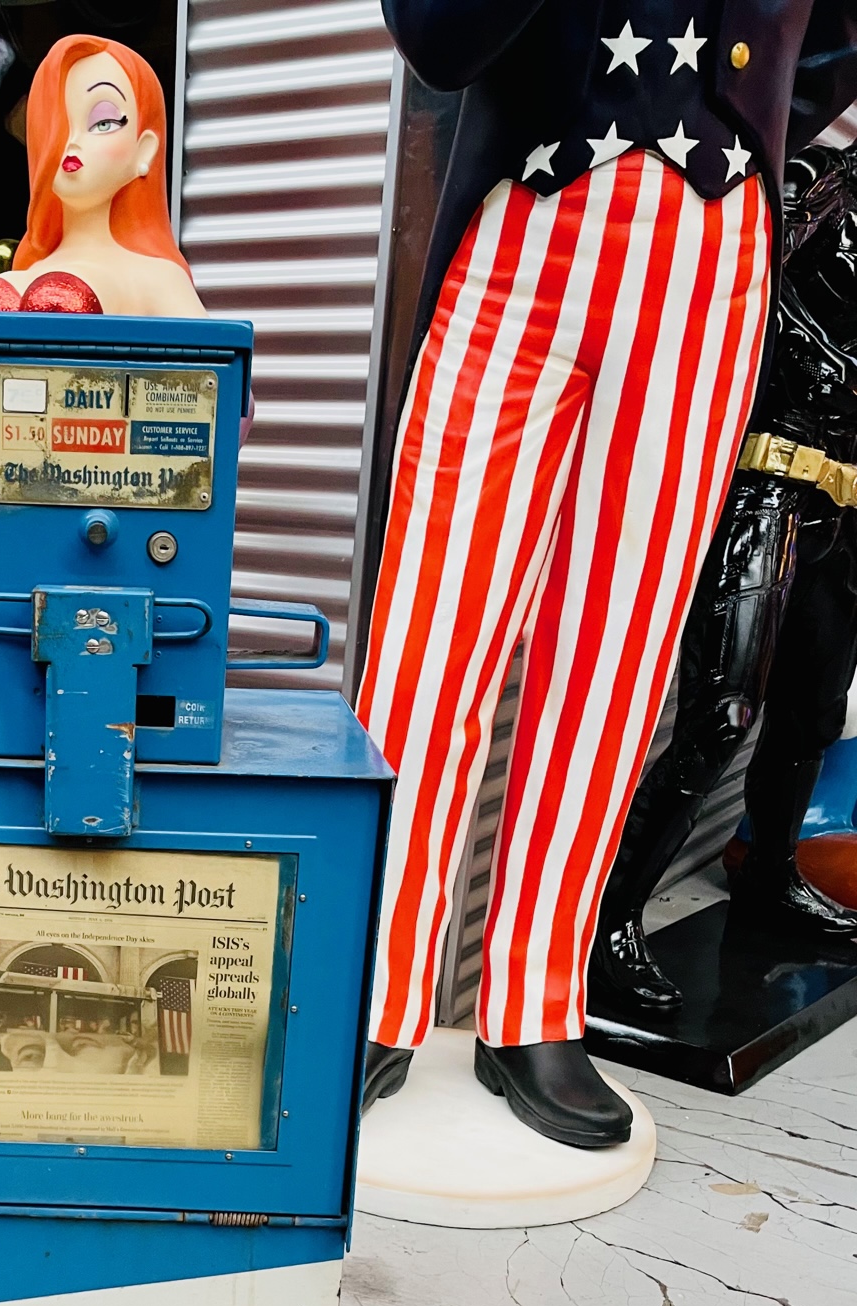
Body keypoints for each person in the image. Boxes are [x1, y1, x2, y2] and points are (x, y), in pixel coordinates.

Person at [358, 1, 857, 1148]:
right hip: (522, 208)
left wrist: (753, 111)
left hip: (713, 232)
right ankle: (373, 988)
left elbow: (830, 36)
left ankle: (534, 1002)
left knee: (615, 647)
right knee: (430, 635)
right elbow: (436, 33)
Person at [593, 140, 857, 1014]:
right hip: (764, 477)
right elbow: (735, 279)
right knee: (721, 712)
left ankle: (772, 875)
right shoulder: (817, 175)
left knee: (812, 713)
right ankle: (607, 921)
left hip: (846, 497)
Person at [0, 35, 203, 318]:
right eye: (56, 124)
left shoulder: (157, 277)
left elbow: (211, 347)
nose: (72, 141)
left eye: (103, 122)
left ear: (144, 151)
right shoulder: (28, 268)